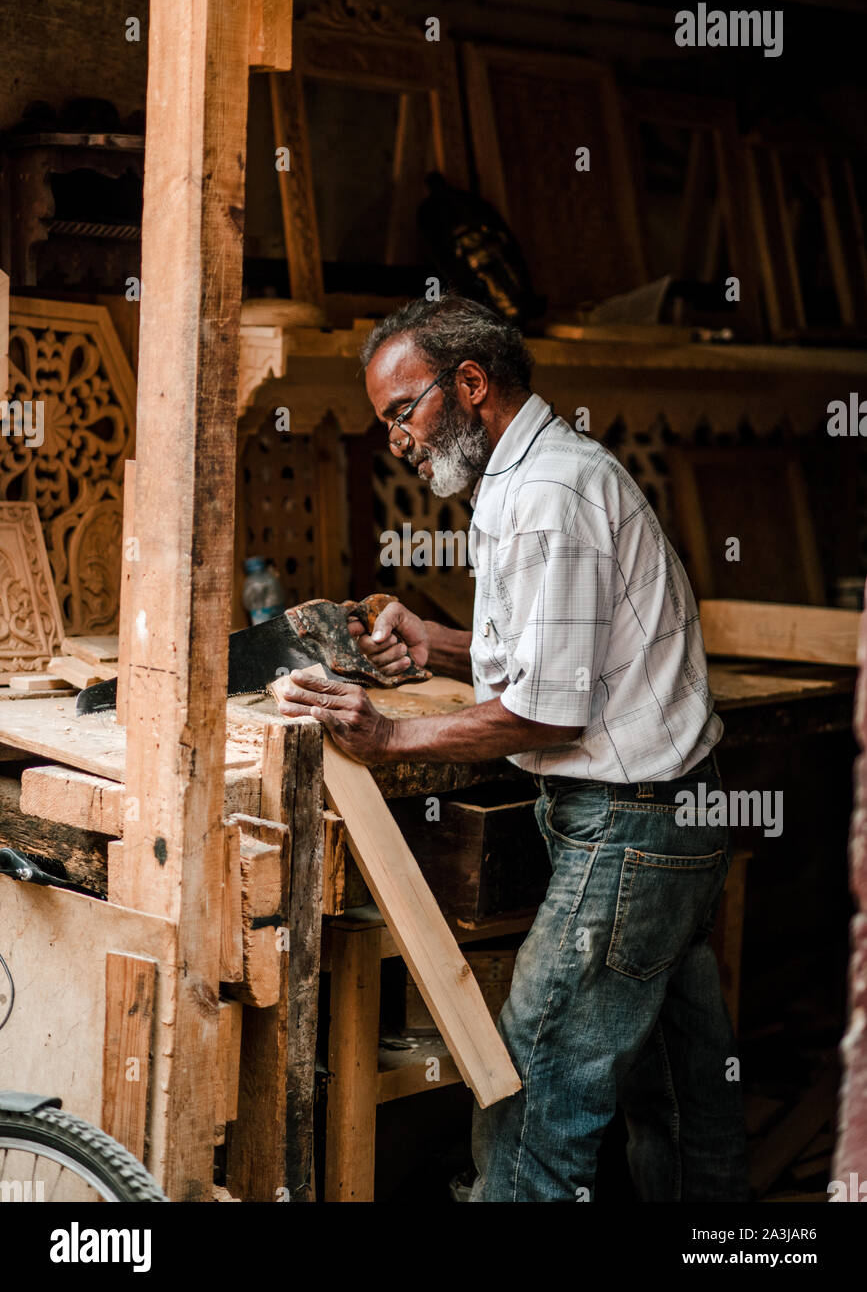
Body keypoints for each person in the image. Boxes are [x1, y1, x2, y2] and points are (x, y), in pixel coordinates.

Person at [273, 294, 749, 1203]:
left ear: (471, 384)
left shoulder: (545, 496)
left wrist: (387, 735)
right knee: (686, 1098)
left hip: (628, 830)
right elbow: (562, 655)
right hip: (670, 820)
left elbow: (549, 714)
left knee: (531, 1094)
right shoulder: (540, 477)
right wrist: (436, 642)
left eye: (401, 412)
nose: (397, 440)